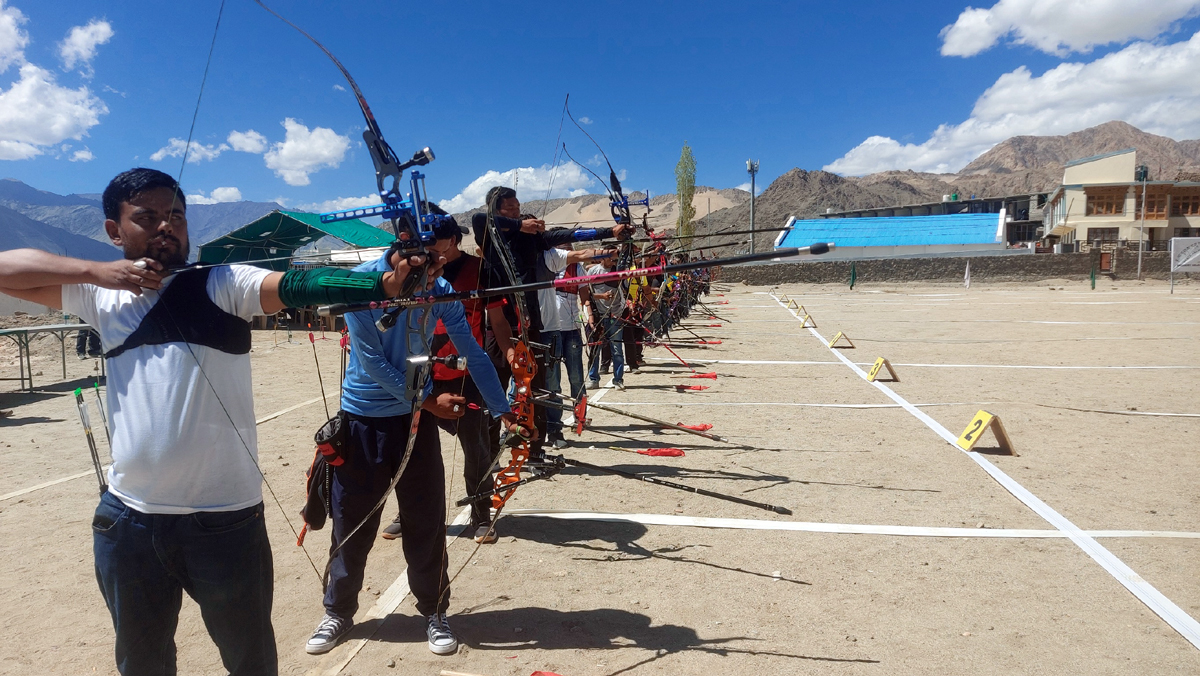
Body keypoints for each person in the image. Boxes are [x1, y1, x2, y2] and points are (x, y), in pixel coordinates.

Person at [0, 167, 427, 676]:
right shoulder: (98, 295)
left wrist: (377, 280)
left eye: (176, 215)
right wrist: (95, 273)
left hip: (224, 523)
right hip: (130, 521)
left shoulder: (223, 282)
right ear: (115, 230)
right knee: (142, 663)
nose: (166, 226)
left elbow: (297, 284)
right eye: (148, 217)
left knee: (250, 661)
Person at [307, 219, 521, 658]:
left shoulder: (438, 289)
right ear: (402, 251)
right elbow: (370, 362)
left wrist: (505, 411)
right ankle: (338, 611)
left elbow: (474, 352)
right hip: (364, 422)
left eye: (441, 258)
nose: (437, 267)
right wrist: (426, 400)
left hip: (413, 424)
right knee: (354, 521)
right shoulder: (360, 285)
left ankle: (434, 611)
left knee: (425, 519)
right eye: (429, 257)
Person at [470, 187, 629, 459]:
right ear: (497, 210)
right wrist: (520, 224)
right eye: (511, 208)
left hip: (531, 325)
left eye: (519, 208)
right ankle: (490, 454)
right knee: (495, 392)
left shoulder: (534, 240)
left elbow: (569, 236)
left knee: (539, 391)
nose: (517, 212)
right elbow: (479, 219)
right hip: (498, 327)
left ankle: (535, 451)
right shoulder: (488, 232)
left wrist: (609, 233)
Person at [378, 219, 509, 544]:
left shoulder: (480, 269)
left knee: (476, 451)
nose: (428, 256)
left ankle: (481, 516)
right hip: (418, 372)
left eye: (435, 245)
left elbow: (496, 319)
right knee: (410, 450)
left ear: (452, 239)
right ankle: (406, 514)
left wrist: (509, 353)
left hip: (466, 374)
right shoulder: (411, 271)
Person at [537, 244, 612, 447]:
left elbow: (585, 298)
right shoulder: (546, 264)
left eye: (569, 248)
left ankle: (580, 417)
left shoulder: (577, 268)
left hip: (570, 330)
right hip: (550, 330)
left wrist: (590, 317)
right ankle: (553, 427)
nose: (568, 252)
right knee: (552, 381)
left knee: (576, 377)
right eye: (564, 248)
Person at [585, 255, 627, 390]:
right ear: (603, 258)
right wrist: (602, 297)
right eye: (611, 258)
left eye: (615, 259)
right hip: (598, 316)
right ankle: (593, 379)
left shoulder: (618, 271)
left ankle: (618, 379)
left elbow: (625, 291)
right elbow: (586, 294)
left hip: (615, 315)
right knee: (594, 349)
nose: (613, 261)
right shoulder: (593, 272)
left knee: (617, 350)